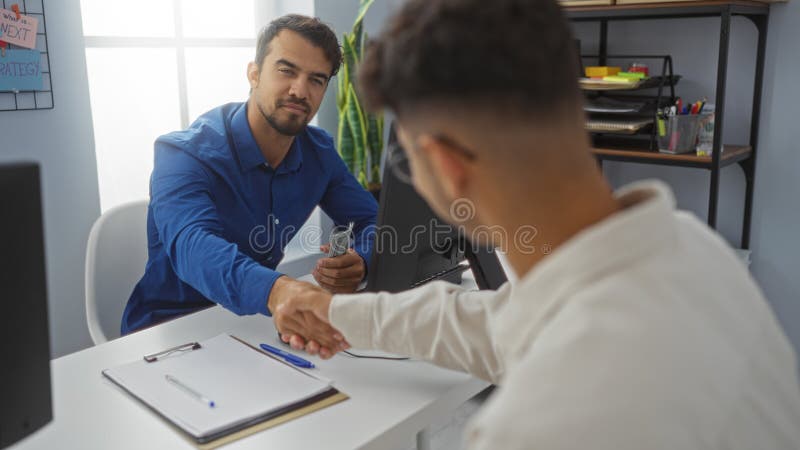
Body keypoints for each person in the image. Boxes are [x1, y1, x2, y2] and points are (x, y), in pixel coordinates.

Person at [268, 0, 800, 448]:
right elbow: (497, 321)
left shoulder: (541, 423)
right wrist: (337, 312)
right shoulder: (694, 250)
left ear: (448, 168)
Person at [121, 15, 378, 339]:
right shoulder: (184, 154)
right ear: (254, 74)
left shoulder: (319, 154)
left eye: (316, 79)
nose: (300, 90)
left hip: (252, 328)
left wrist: (362, 259)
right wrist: (278, 291)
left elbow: (375, 220)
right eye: (287, 70)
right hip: (168, 333)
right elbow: (194, 247)